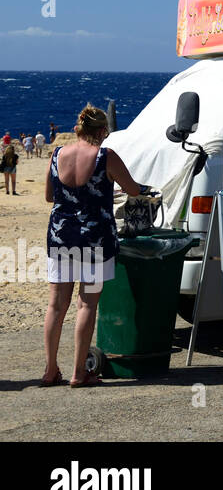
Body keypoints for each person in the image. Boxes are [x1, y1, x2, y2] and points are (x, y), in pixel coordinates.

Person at [42, 104, 146, 387]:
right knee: (86, 304)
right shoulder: (105, 156)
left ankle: (50, 370)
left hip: (61, 236)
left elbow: (50, 196)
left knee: (56, 305)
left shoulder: (57, 154)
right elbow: (133, 189)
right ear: (101, 131)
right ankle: (79, 373)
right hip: (95, 238)